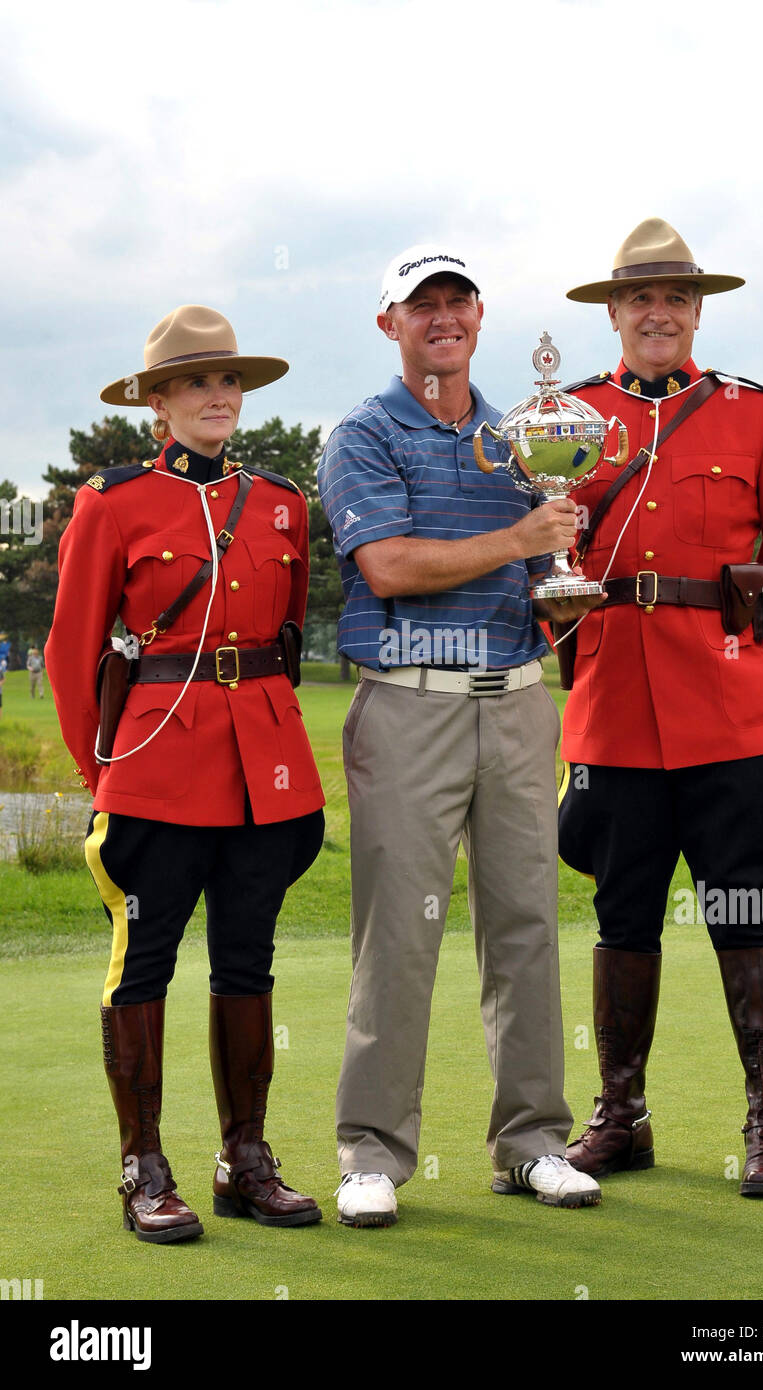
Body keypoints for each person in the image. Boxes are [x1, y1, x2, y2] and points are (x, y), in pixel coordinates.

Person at [317, 244, 604, 1228]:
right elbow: (389, 565)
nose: (440, 316)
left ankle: (532, 1143)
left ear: (478, 318)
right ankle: (372, 1152)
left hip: (518, 699)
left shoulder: (521, 434)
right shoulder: (362, 433)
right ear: (389, 324)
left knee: (525, 922)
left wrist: (556, 559)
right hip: (409, 702)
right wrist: (521, 542)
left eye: (456, 301)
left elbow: (538, 573)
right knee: (398, 931)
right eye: (418, 304)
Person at [556, 218, 763, 1197]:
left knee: (739, 910)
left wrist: (746, 656)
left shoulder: (759, 414)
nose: (657, 312)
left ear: (696, 310)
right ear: (614, 311)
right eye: (639, 297)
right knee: (619, 914)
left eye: (674, 297)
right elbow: (541, 555)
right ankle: (618, 1116)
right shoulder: (568, 421)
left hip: (724, 709)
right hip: (614, 705)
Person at [45, 305, 326, 1242]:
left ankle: (245, 1161)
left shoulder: (283, 502)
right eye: (198, 382)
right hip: (156, 763)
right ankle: (144, 1167)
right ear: (158, 400)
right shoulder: (113, 502)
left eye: (230, 381)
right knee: (147, 964)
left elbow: (284, 641)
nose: (219, 395)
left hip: (264, 767)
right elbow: (71, 650)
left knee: (249, 959)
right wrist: (105, 776)